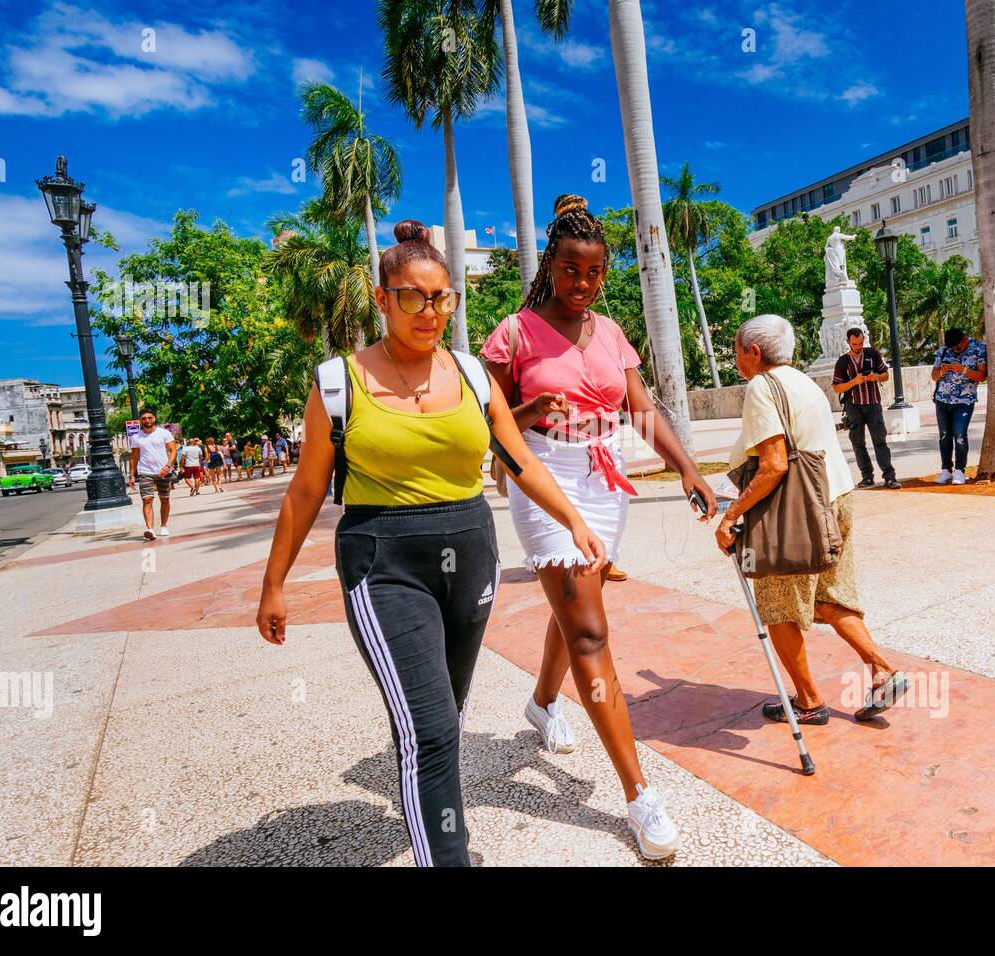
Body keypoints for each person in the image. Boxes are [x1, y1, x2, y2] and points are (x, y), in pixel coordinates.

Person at [257, 219, 606, 868]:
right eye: (413, 297)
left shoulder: (472, 376)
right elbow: (305, 493)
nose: (429, 311)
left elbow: (519, 459)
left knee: (440, 712)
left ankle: (429, 803)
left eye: (441, 298)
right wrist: (274, 586)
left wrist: (573, 521)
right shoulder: (338, 384)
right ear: (382, 298)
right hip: (382, 563)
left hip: (471, 554)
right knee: (435, 730)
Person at [481, 194, 718, 861]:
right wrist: (530, 405)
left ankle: (541, 702)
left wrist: (688, 472)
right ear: (551, 265)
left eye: (593, 273)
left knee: (576, 606)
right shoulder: (515, 332)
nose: (581, 284)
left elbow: (641, 410)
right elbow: (492, 425)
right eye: (571, 270)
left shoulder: (612, 332)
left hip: (605, 475)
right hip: (544, 473)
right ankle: (640, 796)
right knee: (588, 625)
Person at [715, 315, 909, 725]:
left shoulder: (760, 387)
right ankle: (883, 669)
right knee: (830, 595)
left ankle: (808, 702)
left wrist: (731, 515)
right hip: (836, 497)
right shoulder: (804, 382)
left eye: (736, 350)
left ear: (754, 352)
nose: (735, 360)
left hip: (799, 511)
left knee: (779, 605)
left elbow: (773, 466)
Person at [831, 327, 900, 489]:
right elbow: (836, 387)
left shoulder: (872, 355)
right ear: (848, 342)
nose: (858, 346)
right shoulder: (842, 362)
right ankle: (867, 476)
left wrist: (874, 377)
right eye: (854, 344)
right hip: (853, 406)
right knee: (858, 442)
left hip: (873, 404)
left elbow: (885, 375)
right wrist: (854, 381)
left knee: (880, 441)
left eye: (860, 343)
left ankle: (890, 477)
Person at [931, 328, 987, 485]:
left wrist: (963, 370)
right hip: (942, 400)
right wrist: (943, 370)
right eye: (952, 349)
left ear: (964, 340)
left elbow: (982, 376)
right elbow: (934, 376)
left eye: (957, 348)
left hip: (964, 401)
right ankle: (946, 470)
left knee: (960, 435)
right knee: (944, 436)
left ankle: (960, 471)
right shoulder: (943, 350)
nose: (955, 351)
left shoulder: (978, 348)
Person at [127, 408, 177, 541]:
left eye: (149, 418)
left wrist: (168, 466)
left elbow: (173, 451)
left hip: (164, 472)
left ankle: (164, 525)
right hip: (145, 472)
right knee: (147, 499)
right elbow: (134, 457)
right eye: (144, 418)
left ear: (154, 418)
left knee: (164, 499)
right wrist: (131, 476)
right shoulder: (136, 436)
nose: (147, 420)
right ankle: (150, 529)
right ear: (140, 421)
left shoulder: (164, 433)